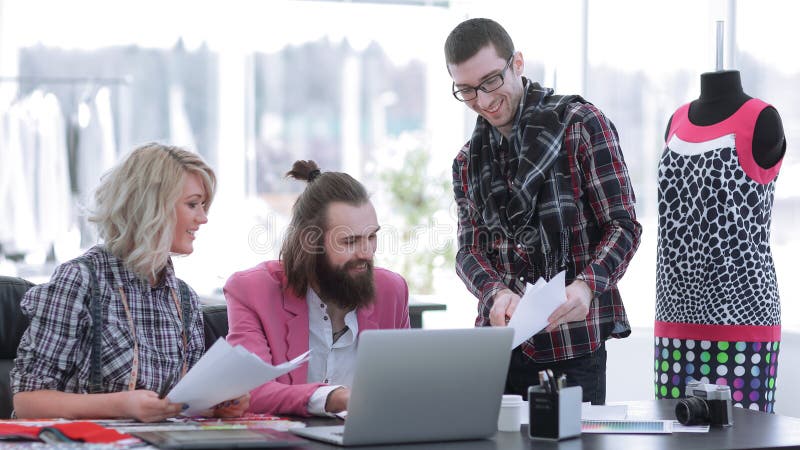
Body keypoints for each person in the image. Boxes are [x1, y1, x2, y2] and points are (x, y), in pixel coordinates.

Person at [444, 18, 641, 404]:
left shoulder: (580, 125)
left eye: (490, 81)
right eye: (466, 89)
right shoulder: (466, 161)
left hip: (573, 347)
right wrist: (496, 294)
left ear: (517, 62)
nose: (482, 100)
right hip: (498, 350)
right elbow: (469, 253)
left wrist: (586, 285)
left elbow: (623, 226)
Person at [11, 143, 249, 421]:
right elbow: (28, 403)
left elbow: (179, 404)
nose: (203, 218)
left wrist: (216, 404)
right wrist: (122, 405)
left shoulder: (184, 299)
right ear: (152, 206)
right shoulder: (80, 281)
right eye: (193, 204)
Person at [225, 160, 410, 416]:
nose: (366, 253)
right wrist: (334, 397)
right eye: (349, 241)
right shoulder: (251, 290)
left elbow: (404, 387)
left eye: (372, 237)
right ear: (310, 241)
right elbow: (249, 391)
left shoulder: (392, 291)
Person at [655, 69, 785, 412]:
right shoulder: (676, 121)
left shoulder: (760, 118)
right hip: (674, 312)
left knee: (742, 438)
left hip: (742, 316)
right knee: (676, 432)